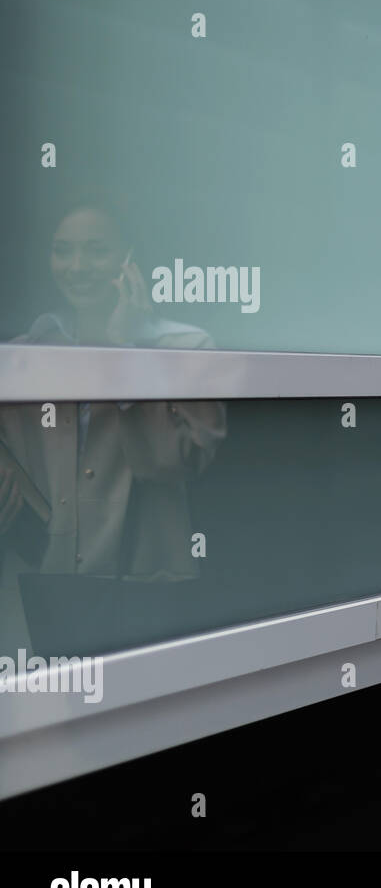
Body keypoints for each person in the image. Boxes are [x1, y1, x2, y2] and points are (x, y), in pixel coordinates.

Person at [0, 197, 226, 656]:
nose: (76, 265)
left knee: (150, 717)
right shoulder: (26, 352)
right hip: (51, 576)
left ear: (130, 258)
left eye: (97, 250)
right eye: (62, 250)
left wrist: (124, 353)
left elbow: (172, 462)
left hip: (145, 581)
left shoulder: (186, 346)